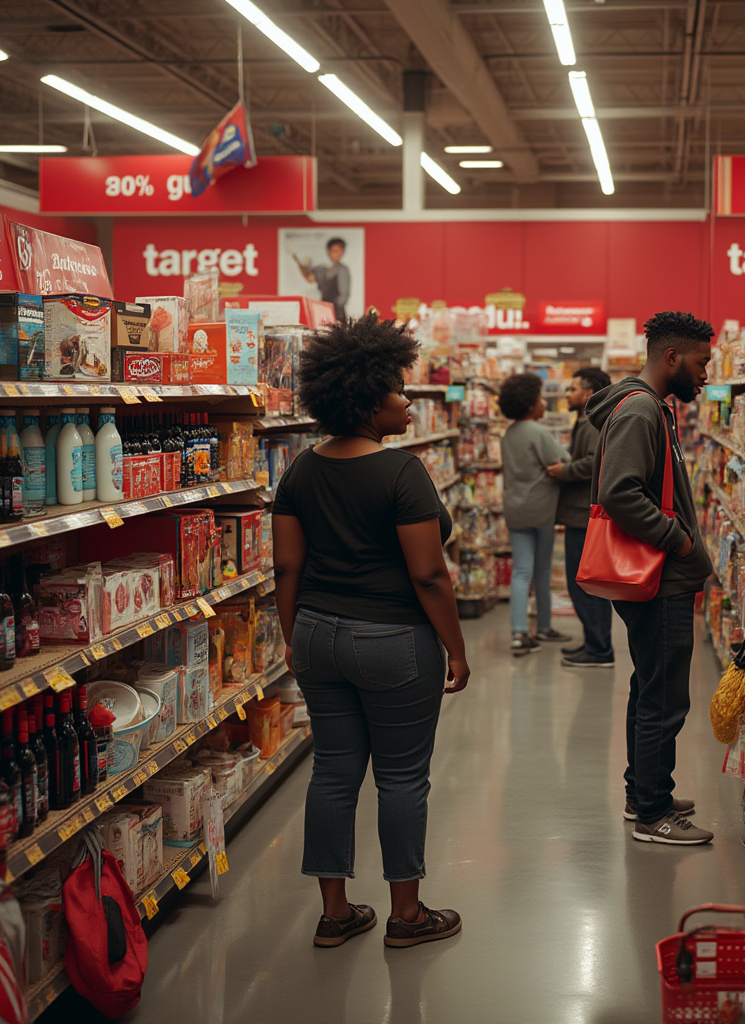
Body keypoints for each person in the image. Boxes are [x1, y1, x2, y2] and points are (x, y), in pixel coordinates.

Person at [272, 312, 469, 950]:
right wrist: (456, 650)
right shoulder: (400, 473)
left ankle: (335, 913)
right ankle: (406, 917)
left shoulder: (300, 468)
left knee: (332, 771)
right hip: (391, 642)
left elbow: (286, 566)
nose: (407, 400)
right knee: (402, 776)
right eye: (395, 389)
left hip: (316, 636)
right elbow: (430, 576)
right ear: (364, 401)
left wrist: (290, 637)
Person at [585, 311, 716, 846]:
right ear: (671, 357)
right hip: (658, 576)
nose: (705, 373)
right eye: (701, 362)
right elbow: (620, 492)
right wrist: (677, 538)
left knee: (650, 688)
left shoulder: (647, 405)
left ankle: (644, 791)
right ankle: (654, 815)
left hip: (658, 574)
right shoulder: (640, 409)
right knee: (664, 698)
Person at [498, 372, 573, 656]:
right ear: (531, 404)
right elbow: (563, 462)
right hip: (541, 509)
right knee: (541, 570)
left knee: (521, 571)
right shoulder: (539, 432)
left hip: (514, 509)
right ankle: (543, 626)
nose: (544, 403)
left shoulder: (508, 434)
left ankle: (519, 633)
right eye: (540, 398)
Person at [547, 367, 615, 669]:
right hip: (580, 514)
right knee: (585, 584)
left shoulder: (591, 423)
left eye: (572, 388)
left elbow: (592, 464)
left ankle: (599, 649)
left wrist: (564, 470)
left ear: (588, 393)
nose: (567, 394)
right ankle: (593, 643)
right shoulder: (588, 421)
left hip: (583, 516)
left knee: (585, 585)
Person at [296, 236, 351, 323]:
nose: (338, 253)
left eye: (341, 251)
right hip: (323, 310)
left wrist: (334, 309)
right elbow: (310, 277)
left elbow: (343, 296)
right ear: (329, 252)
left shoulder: (342, 269)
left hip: (336, 313)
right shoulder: (323, 269)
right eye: (335, 251)